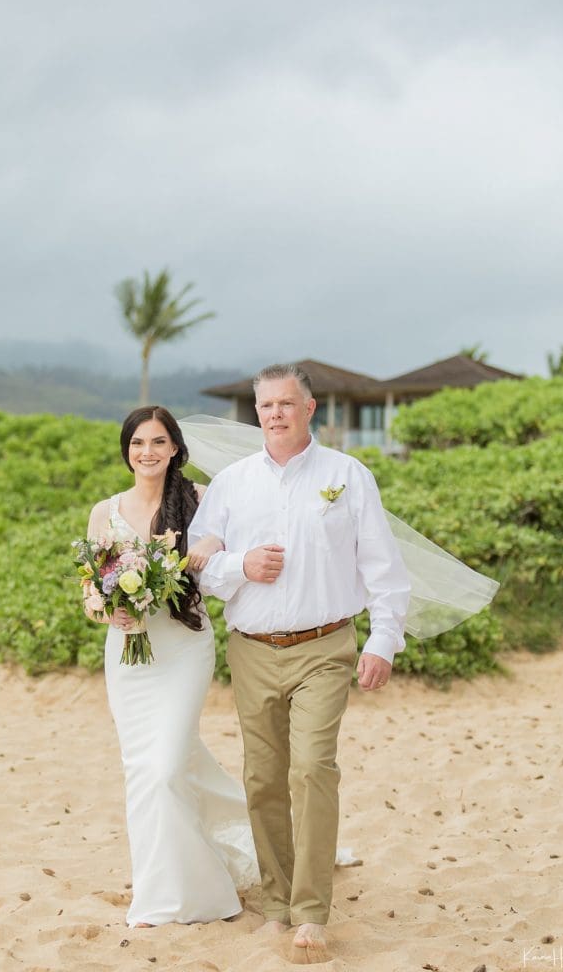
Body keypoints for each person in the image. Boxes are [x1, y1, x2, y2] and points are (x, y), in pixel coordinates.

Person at [188, 363, 412, 956]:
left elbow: (383, 566)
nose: (276, 414)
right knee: (262, 780)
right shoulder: (232, 482)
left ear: (309, 409)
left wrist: (382, 640)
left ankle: (312, 909)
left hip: (325, 647)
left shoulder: (348, 475)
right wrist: (242, 566)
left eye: (287, 403)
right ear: (256, 412)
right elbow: (200, 563)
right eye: (266, 406)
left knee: (312, 770)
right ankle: (278, 904)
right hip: (252, 650)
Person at [83, 405, 257, 928]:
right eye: (138, 443)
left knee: (163, 768)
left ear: (176, 448)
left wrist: (210, 542)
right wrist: (105, 607)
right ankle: (165, 887)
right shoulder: (104, 510)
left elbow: (227, 545)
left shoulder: (198, 501)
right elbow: (89, 591)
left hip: (183, 648)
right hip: (128, 654)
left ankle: (195, 893)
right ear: (126, 450)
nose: (148, 453)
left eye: (159, 442)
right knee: (148, 770)